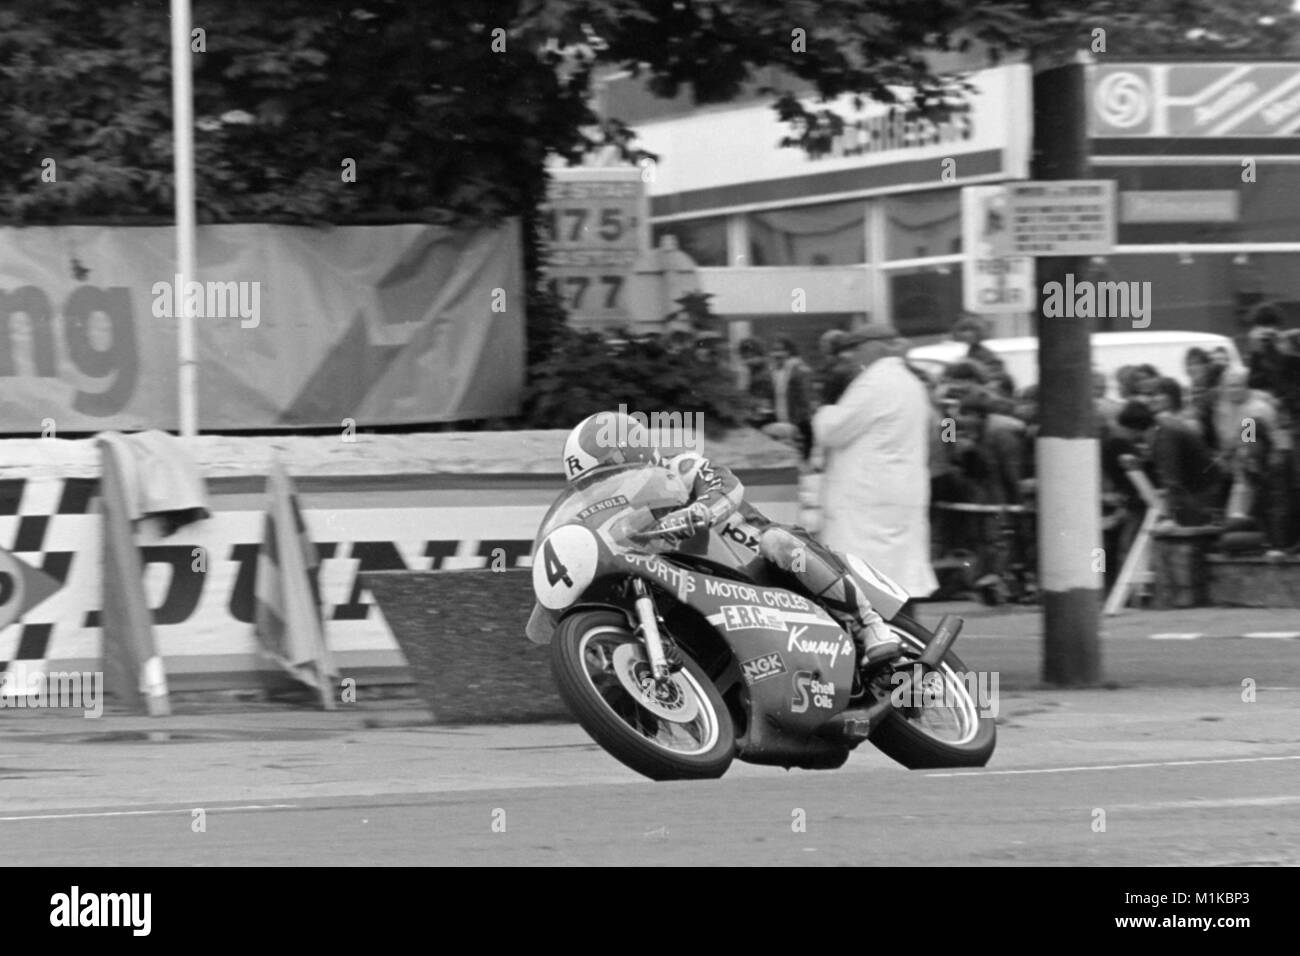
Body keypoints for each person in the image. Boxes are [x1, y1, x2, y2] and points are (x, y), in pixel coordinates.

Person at [560, 410, 904, 687]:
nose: (601, 489)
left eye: (603, 477)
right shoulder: (615, 517)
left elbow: (727, 484)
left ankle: (868, 624)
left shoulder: (676, 466)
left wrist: (698, 510)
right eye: (588, 486)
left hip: (756, 562)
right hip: (699, 588)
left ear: (629, 455)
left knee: (780, 543)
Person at [813, 324, 939, 610]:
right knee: (898, 579)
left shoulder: (874, 382)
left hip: (868, 501)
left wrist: (823, 411)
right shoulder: (911, 383)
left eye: (856, 348)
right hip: (898, 495)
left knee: (867, 582)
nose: (853, 356)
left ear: (876, 346)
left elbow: (833, 430)